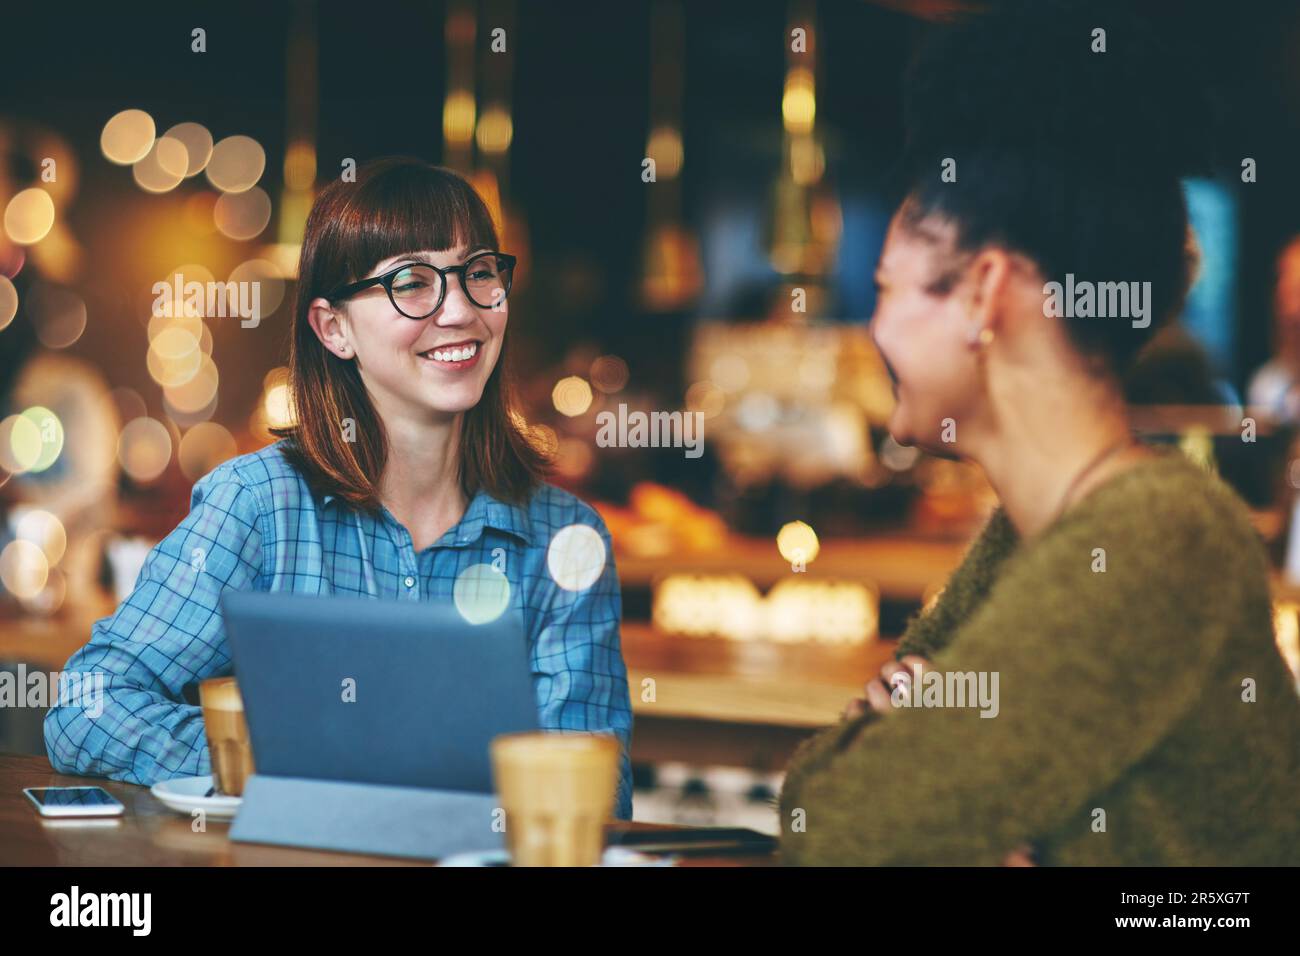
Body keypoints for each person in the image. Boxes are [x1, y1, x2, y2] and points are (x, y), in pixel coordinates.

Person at [779, 0, 1300, 864]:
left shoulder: (1155, 535)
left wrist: (906, 734)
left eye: (887, 289)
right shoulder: (1032, 531)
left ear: (984, 293)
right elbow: (807, 806)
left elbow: (845, 834)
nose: (875, 331)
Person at [45, 157, 634, 819]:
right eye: (412, 282)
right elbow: (88, 702)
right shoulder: (259, 505)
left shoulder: (564, 539)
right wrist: (263, 759)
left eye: (478, 273)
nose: (461, 310)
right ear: (334, 328)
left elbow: (598, 791)